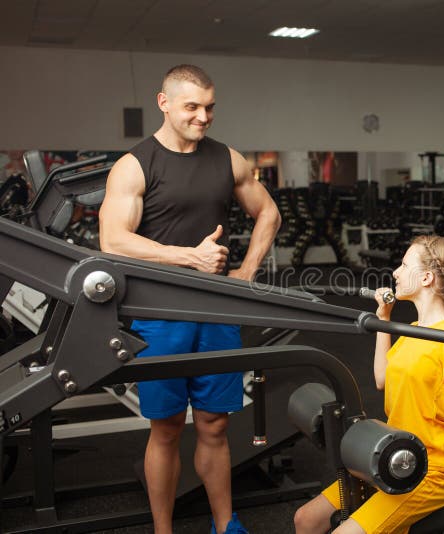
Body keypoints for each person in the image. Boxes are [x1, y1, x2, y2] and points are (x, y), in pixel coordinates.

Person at [99, 64, 281, 534]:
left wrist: (246, 271)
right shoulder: (135, 165)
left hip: (216, 312)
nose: (203, 117)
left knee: (215, 426)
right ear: (164, 103)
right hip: (160, 316)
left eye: (210, 107)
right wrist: (189, 258)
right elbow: (113, 240)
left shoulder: (227, 159)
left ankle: (226, 524)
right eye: (192, 107)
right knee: (165, 430)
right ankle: (164, 530)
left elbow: (269, 213)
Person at [294, 235, 444, 534]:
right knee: (306, 519)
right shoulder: (412, 330)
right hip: (393, 457)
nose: (395, 273)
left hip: (433, 469)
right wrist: (383, 320)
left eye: (404, 265)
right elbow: (382, 379)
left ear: (426, 277)